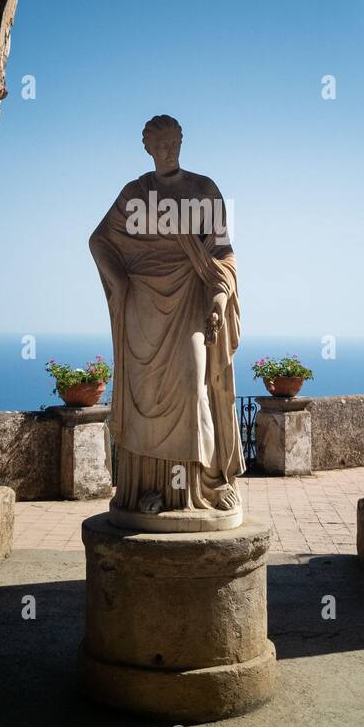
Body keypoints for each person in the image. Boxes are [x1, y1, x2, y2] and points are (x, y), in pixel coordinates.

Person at [89, 115, 244, 517]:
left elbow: (223, 254)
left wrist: (219, 298)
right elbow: (100, 240)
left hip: (191, 299)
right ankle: (147, 490)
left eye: (173, 142)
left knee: (194, 387)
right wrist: (120, 283)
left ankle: (202, 486)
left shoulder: (203, 190)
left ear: (181, 141)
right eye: (160, 144)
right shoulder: (135, 193)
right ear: (147, 147)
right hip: (143, 306)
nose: (168, 150)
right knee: (147, 399)